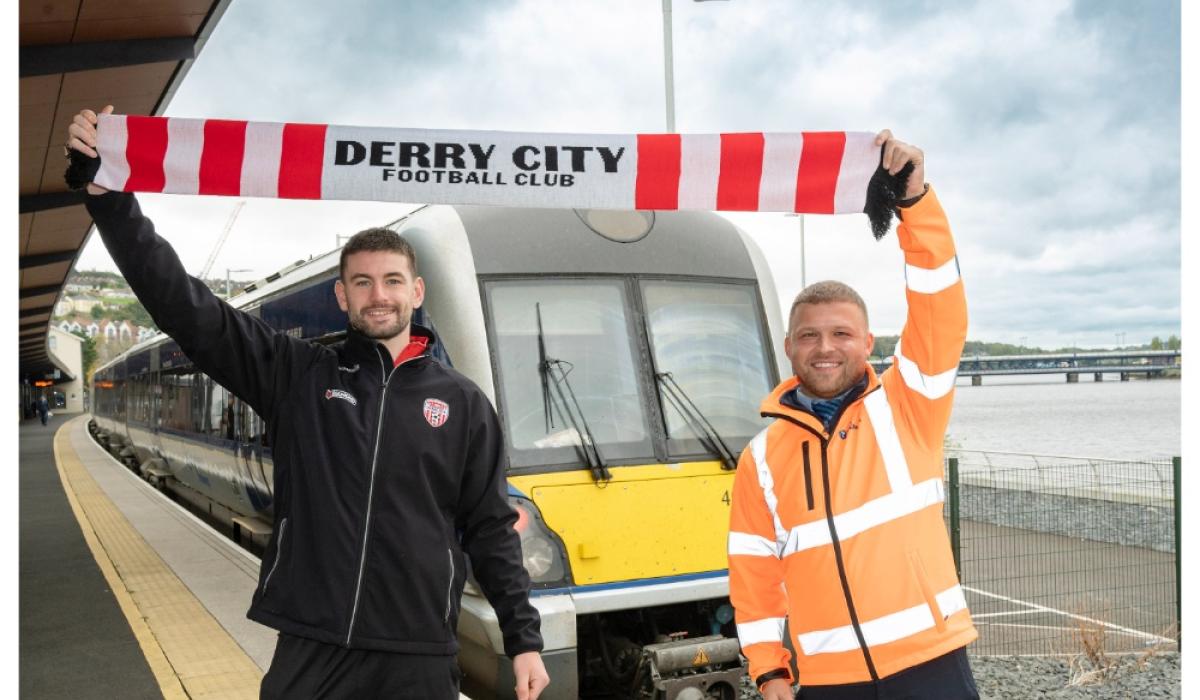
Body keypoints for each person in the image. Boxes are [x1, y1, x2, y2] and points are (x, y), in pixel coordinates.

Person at [67, 106, 550, 700]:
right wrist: (111, 201)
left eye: (393, 281)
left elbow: (489, 526)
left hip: (419, 649)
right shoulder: (299, 375)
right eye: (364, 283)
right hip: (314, 644)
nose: (380, 296)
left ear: (416, 292)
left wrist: (523, 639)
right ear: (342, 295)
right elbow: (187, 311)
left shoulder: (463, 403)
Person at [727, 132, 978, 700]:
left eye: (842, 333)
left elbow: (941, 309)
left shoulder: (908, 406)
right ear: (788, 346)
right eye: (810, 335)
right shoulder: (761, 458)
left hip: (930, 662)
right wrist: (769, 673)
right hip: (826, 681)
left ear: (868, 341)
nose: (826, 347)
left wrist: (915, 205)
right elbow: (753, 574)